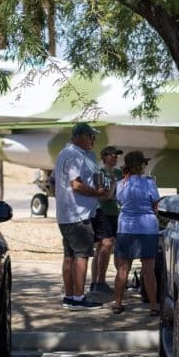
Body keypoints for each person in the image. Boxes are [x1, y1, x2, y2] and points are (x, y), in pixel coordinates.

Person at [53, 122, 108, 310]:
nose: (93, 140)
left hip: (66, 215)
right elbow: (76, 184)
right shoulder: (75, 155)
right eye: (91, 136)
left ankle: (69, 297)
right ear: (80, 136)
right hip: (78, 215)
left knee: (69, 256)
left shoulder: (64, 153)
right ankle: (78, 298)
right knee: (82, 256)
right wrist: (96, 192)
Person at [111, 150, 160, 315]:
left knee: (123, 269)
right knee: (148, 270)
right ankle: (153, 306)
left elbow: (119, 201)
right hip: (147, 228)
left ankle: (117, 303)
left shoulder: (120, 184)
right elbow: (155, 206)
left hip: (126, 228)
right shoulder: (149, 183)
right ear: (140, 166)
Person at [90, 145, 123, 296]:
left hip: (116, 213)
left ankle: (116, 281)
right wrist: (114, 186)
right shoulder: (100, 173)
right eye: (111, 155)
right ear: (104, 157)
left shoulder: (118, 173)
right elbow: (103, 197)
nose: (115, 157)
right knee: (102, 247)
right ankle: (96, 282)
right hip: (103, 212)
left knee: (110, 248)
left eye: (116, 155)